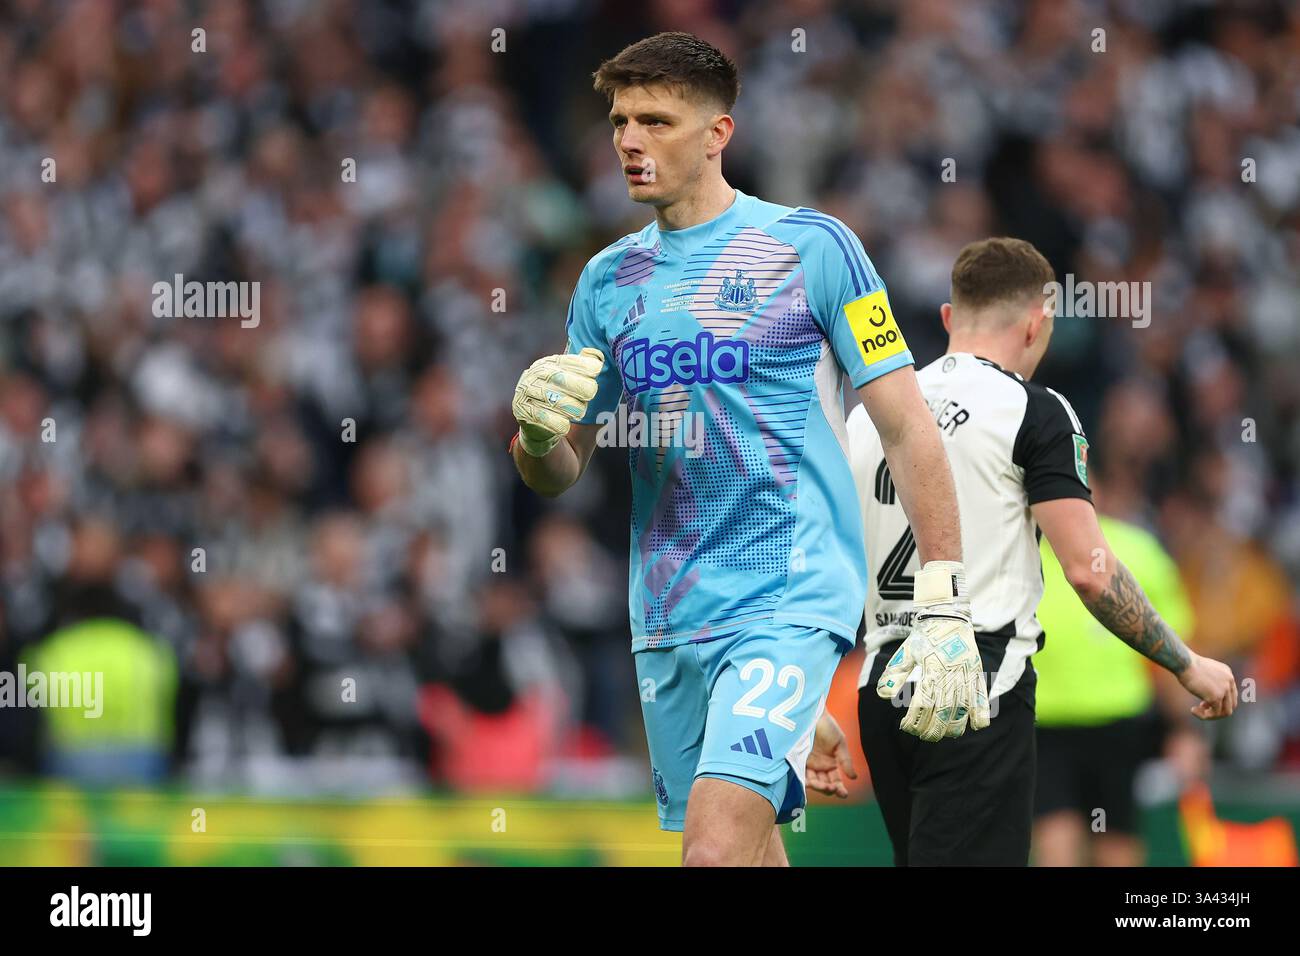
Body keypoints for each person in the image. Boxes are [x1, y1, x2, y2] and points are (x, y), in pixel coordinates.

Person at [509, 32, 984, 867]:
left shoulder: (814, 249)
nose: (629, 140)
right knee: (751, 855)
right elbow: (560, 472)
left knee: (712, 854)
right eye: (620, 120)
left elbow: (907, 425)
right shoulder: (605, 283)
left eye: (656, 120)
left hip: (790, 595)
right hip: (668, 616)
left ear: (718, 133)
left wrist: (943, 596)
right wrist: (538, 437)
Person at [845, 237, 1238, 866]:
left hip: (884, 686)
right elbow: (1088, 570)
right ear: (1038, 323)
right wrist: (1186, 663)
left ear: (950, 318)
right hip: (977, 684)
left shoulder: (870, 413)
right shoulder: (1033, 410)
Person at [1033, 469, 1207, 866]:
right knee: (1055, 849)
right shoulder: (1023, 552)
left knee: (1118, 852)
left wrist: (1184, 730)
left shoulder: (1137, 550)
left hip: (1120, 727)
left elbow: (1169, 650)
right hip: (1045, 728)